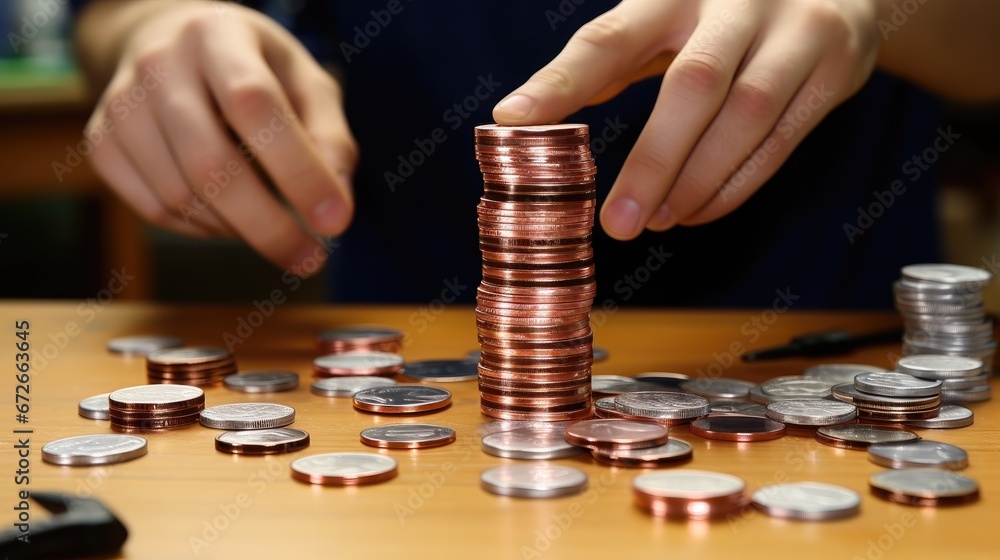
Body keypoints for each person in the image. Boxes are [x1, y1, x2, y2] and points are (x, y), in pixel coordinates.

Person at [74, 0, 1000, 308]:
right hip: (419, 364)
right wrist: (159, 26)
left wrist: (873, 9)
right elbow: (110, 15)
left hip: (833, 347)